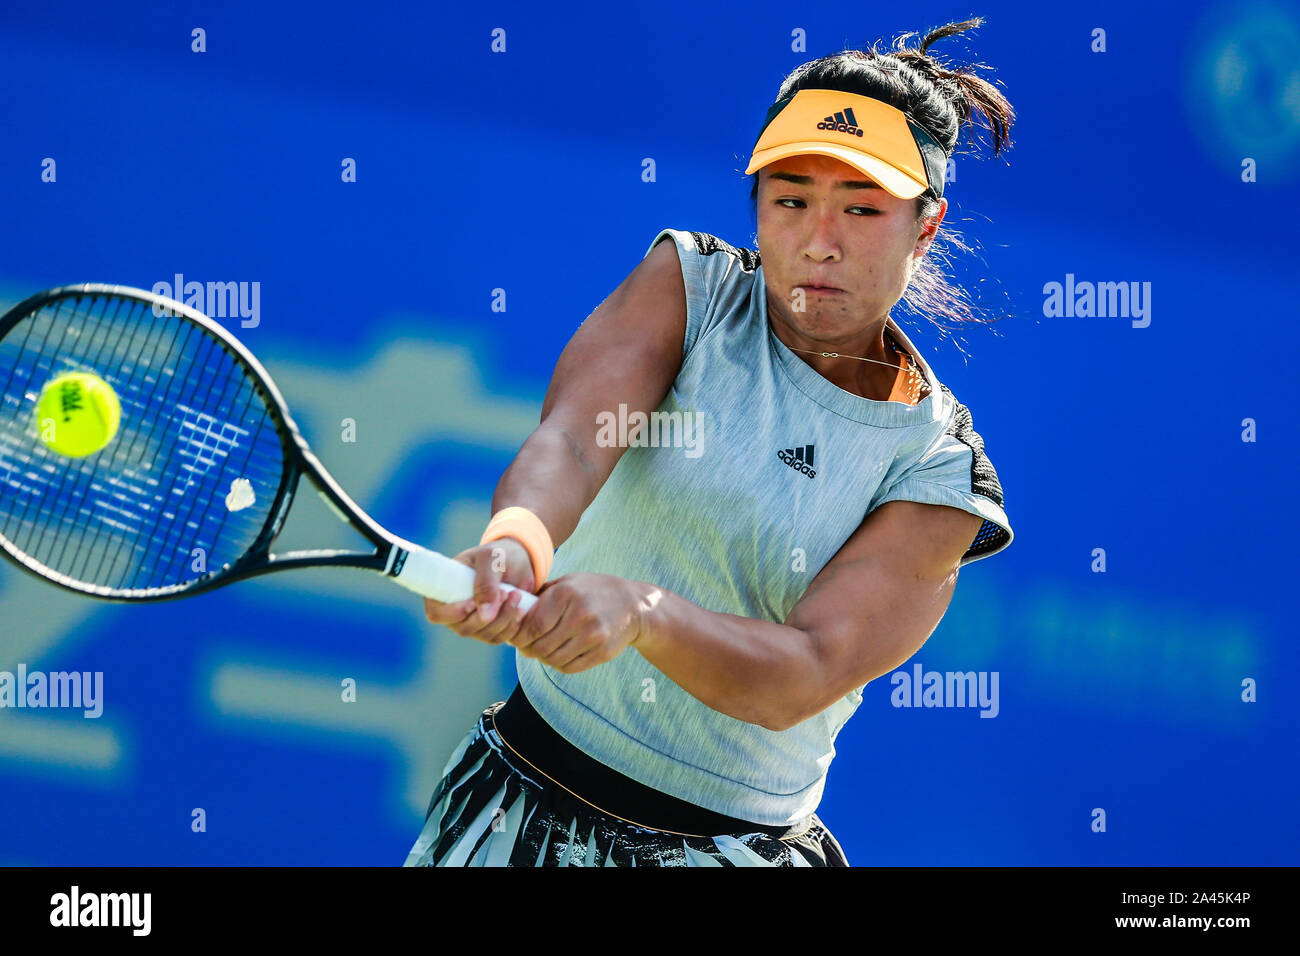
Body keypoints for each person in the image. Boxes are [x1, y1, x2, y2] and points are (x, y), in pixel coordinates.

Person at [405, 17, 1016, 867]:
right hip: (513, 804)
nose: (819, 240)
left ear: (927, 226)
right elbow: (576, 443)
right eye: (791, 198)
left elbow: (800, 674)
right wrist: (518, 539)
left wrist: (644, 615)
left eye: (863, 209)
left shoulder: (938, 470)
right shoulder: (686, 287)